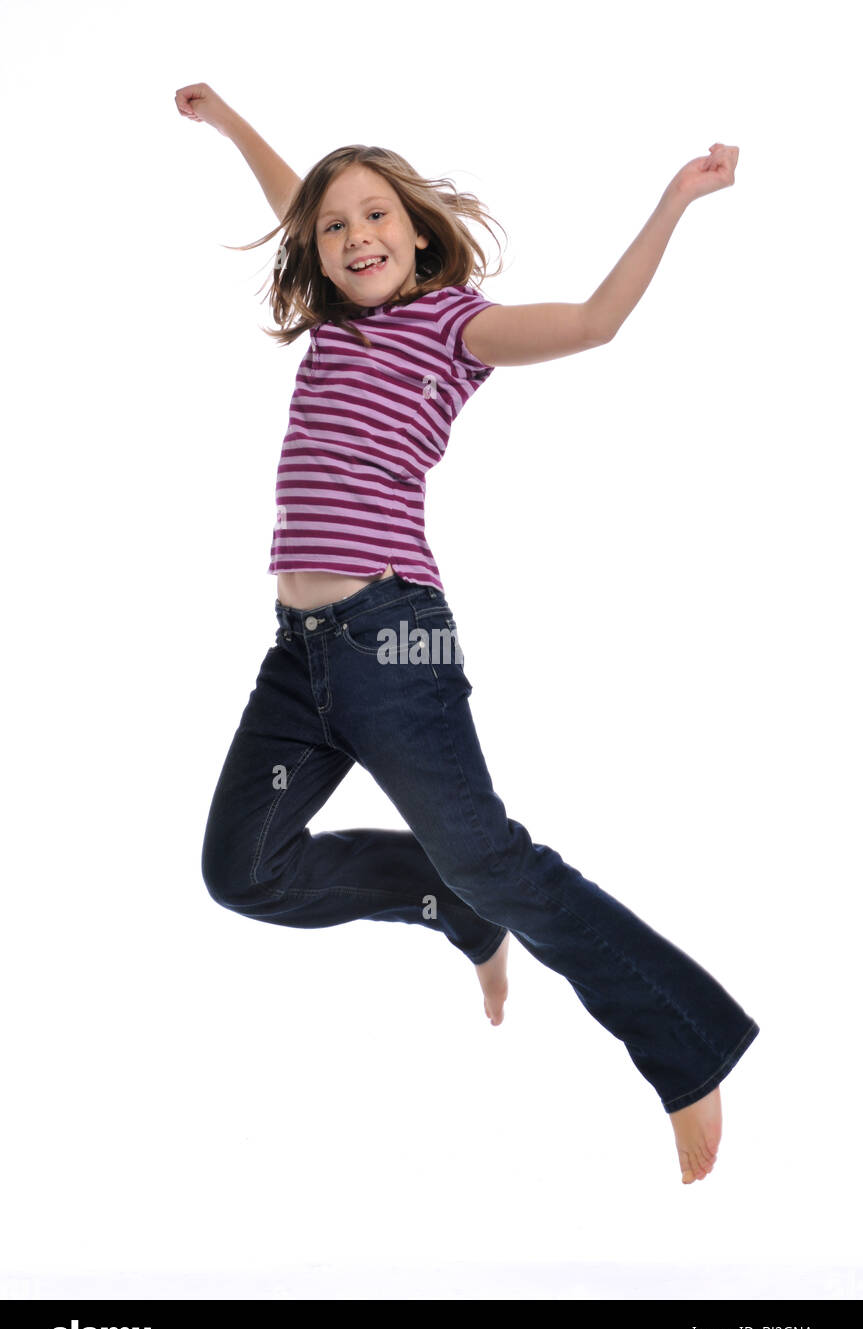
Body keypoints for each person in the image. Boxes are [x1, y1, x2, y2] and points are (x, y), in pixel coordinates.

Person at [176, 82, 758, 1185]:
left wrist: (675, 199)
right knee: (243, 870)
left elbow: (593, 322)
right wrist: (225, 121)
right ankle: (455, 909)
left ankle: (683, 1052)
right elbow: (293, 199)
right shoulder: (333, 323)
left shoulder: (453, 326)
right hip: (295, 661)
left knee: (496, 855)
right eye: (336, 224)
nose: (355, 235)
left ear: (417, 229)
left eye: (376, 215)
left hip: (392, 640)